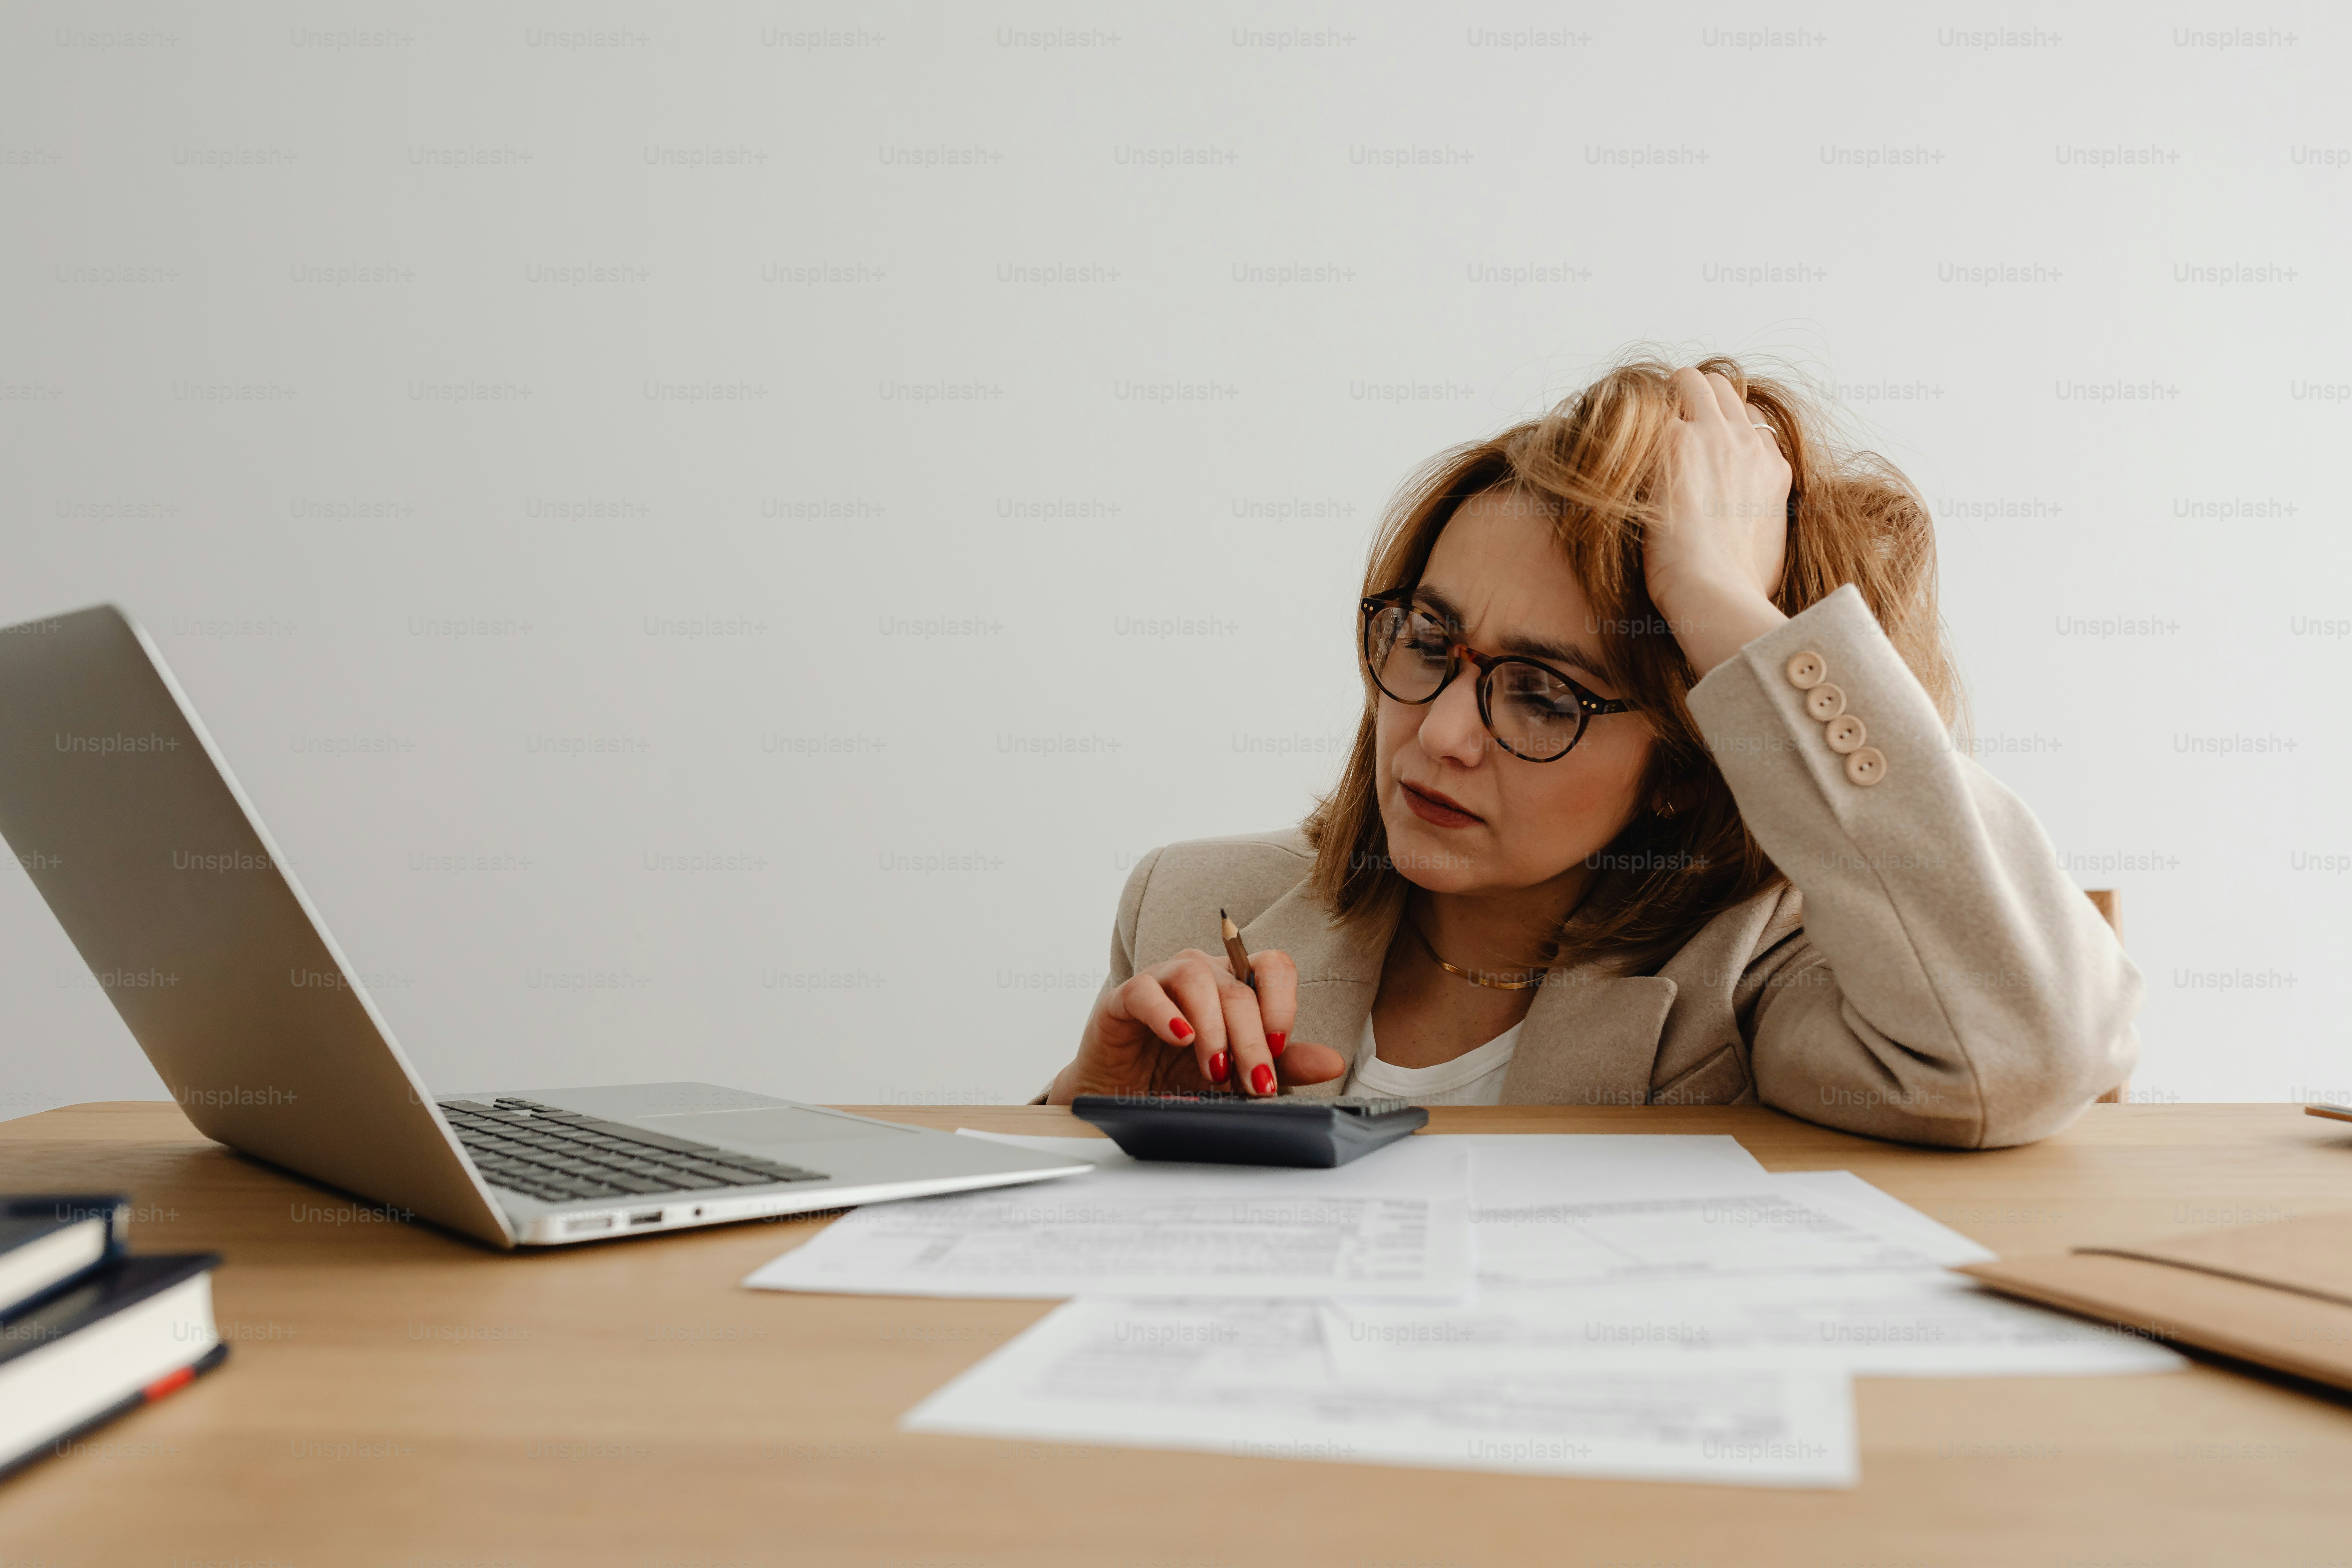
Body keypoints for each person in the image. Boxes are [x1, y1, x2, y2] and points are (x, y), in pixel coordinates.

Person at [1041, 357, 2138, 1147]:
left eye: (1542, 692)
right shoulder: (1189, 904)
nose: (1443, 733)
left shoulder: (1757, 980)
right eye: (1428, 639)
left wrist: (1717, 604)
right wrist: (1085, 1109)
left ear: (1684, 764)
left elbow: (2027, 1052)